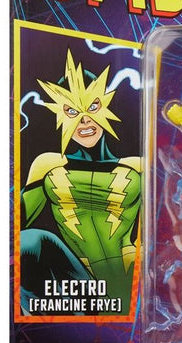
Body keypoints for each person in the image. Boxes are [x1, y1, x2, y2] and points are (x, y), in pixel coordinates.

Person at [21, 48, 141, 316]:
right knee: (30, 241)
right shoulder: (48, 165)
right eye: (72, 111)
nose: (85, 119)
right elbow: (17, 223)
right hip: (80, 283)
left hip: (131, 276)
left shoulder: (137, 166)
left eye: (93, 107)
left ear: (106, 107)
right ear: (60, 116)